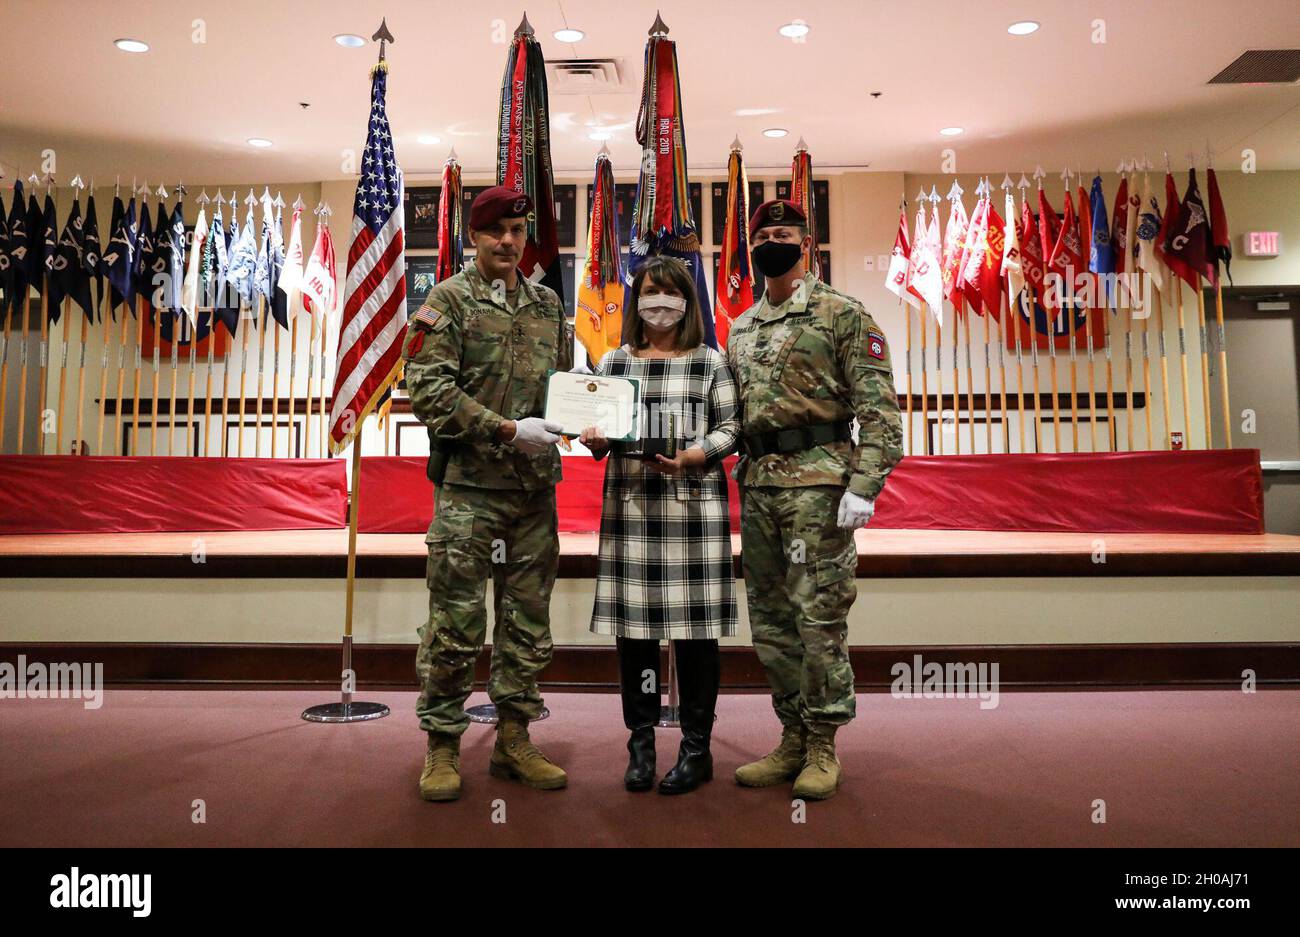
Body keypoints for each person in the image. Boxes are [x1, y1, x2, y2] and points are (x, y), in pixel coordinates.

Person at [725, 199, 903, 801]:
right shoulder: (743, 326)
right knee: (772, 622)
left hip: (821, 488)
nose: (774, 241)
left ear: (807, 244)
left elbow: (881, 412)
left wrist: (863, 486)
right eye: (765, 235)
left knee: (818, 618)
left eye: (785, 233)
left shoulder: (842, 314)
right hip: (759, 488)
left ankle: (824, 742)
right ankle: (792, 736)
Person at [402, 186, 573, 802]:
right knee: (456, 622)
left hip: (532, 494)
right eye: (496, 231)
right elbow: (429, 392)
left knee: (526, 621)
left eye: (518, 230)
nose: (508, 241)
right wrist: (505, 428)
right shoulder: (445, 302)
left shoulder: (548, 304)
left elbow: (559, 385)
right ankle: (442, 745)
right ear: (474, 237)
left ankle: (514, 739)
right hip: (469, 492)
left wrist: (584, 415)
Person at [579, 256, 740, 795]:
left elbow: (732, 426)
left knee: (697, 640)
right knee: (637, 640)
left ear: (688, 301)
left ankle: (697, 749)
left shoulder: (711, 361)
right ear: (636, 300)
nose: (662, 302)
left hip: (694, 511)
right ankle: (641, 745)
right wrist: (594, 438)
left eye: (673, 292)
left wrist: (697, 455)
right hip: (633, 512)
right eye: (651, 292)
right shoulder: (614, 364)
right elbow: (596, 425)